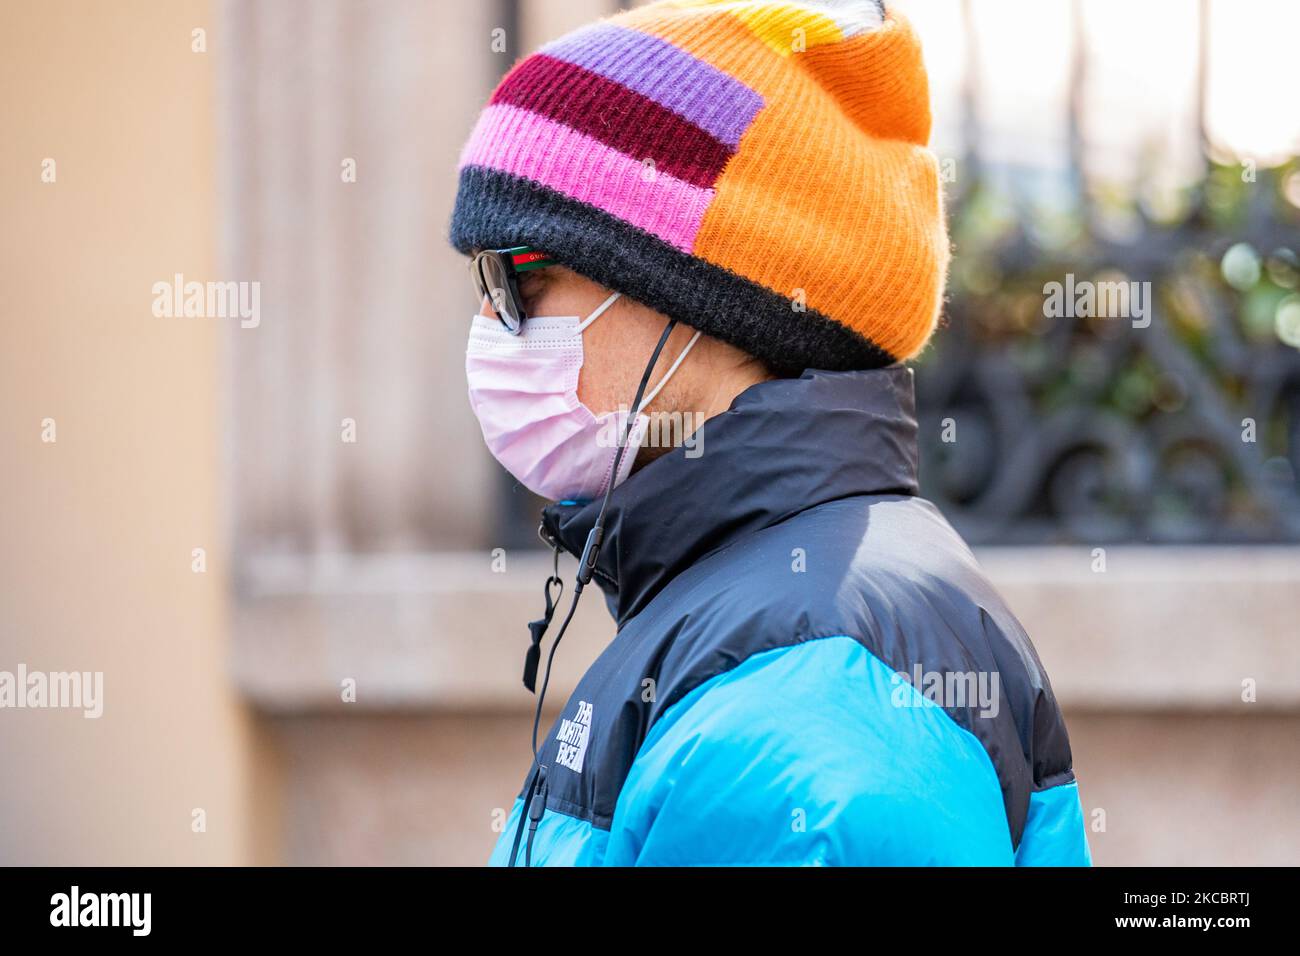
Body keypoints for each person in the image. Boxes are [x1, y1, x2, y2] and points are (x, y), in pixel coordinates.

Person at [452, 0, 1091, 866]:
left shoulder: (808, 695)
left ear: (694, 294)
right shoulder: (765, 617)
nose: (493, 324)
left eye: (520, 276)